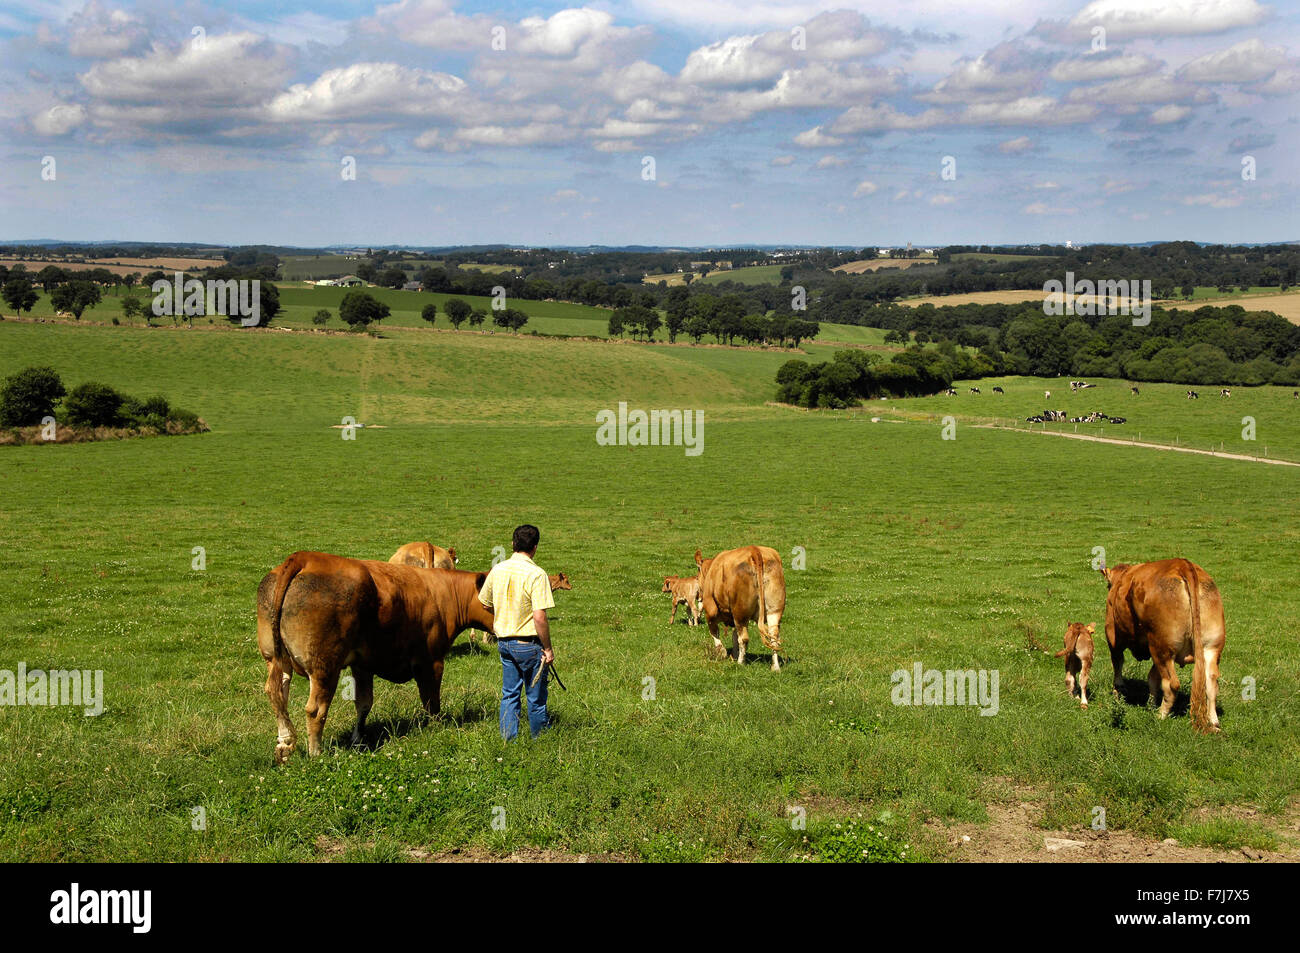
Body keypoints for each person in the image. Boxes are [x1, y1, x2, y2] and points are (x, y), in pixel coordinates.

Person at [478, 524, 555, 740]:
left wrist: (501, 615)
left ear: (513, 544)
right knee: (536, 698)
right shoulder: (537, 574)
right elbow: (539, 617)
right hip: (529, 644)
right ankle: (539, 742)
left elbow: (484, 603)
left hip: (504, 643)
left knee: (509, 694)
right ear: (535, 548)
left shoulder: (497, 569)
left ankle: (507, 740)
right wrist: (547, 648)